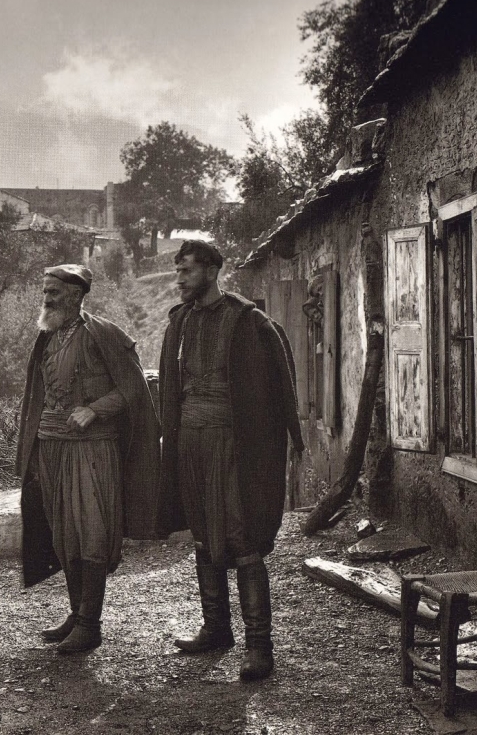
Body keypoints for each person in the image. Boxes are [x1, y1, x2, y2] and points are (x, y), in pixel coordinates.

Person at [158, 241, 304, 681]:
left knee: (242, 536)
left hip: (234, 445)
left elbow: (275, 386)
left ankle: (259, 645)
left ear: (212, 270)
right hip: (190, 443)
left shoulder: (248, 322)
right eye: (177, 271)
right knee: (203, 533)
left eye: (187, 271)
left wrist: (284, 443)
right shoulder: (179, 323)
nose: (180, 279)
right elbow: (169, 388)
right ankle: (216, 629)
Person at [17, 264, 161, 653]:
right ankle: (76, 613)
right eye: (44, 290)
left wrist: (95, 409)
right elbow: (37, 396)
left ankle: (90, 624)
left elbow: (135, 389)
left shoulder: (105, 334)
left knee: (92, 530)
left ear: (78, 295)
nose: (47, 298)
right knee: (63, 532)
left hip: (92, 447)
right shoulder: (46, 337)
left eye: (55, 292)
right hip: (51, 446)